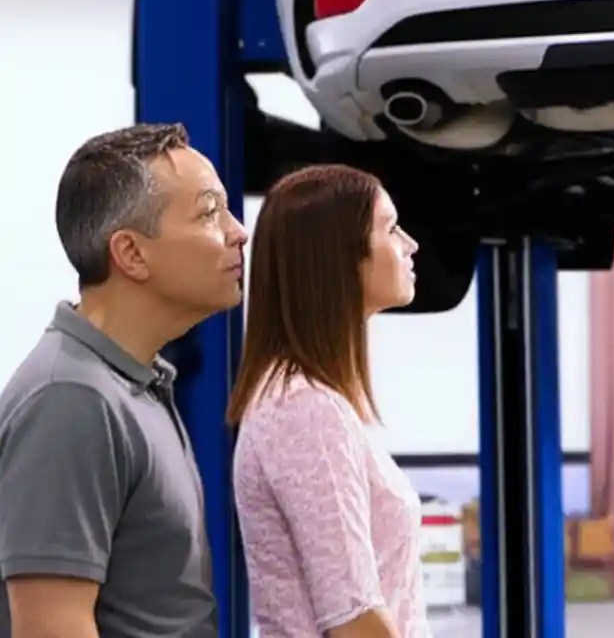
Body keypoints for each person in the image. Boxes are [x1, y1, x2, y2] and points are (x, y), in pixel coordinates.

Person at [0, 123, 247, 637]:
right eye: (208, 212)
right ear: (131, 254)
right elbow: (51, 627)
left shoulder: (134, 386)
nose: (237, 231)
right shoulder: (71, 399)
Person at [227, 164, 430, 638]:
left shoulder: (308, 400)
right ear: (340, 257)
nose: (410, 243)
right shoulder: (303, 409)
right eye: (390, 227)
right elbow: (353, 618)